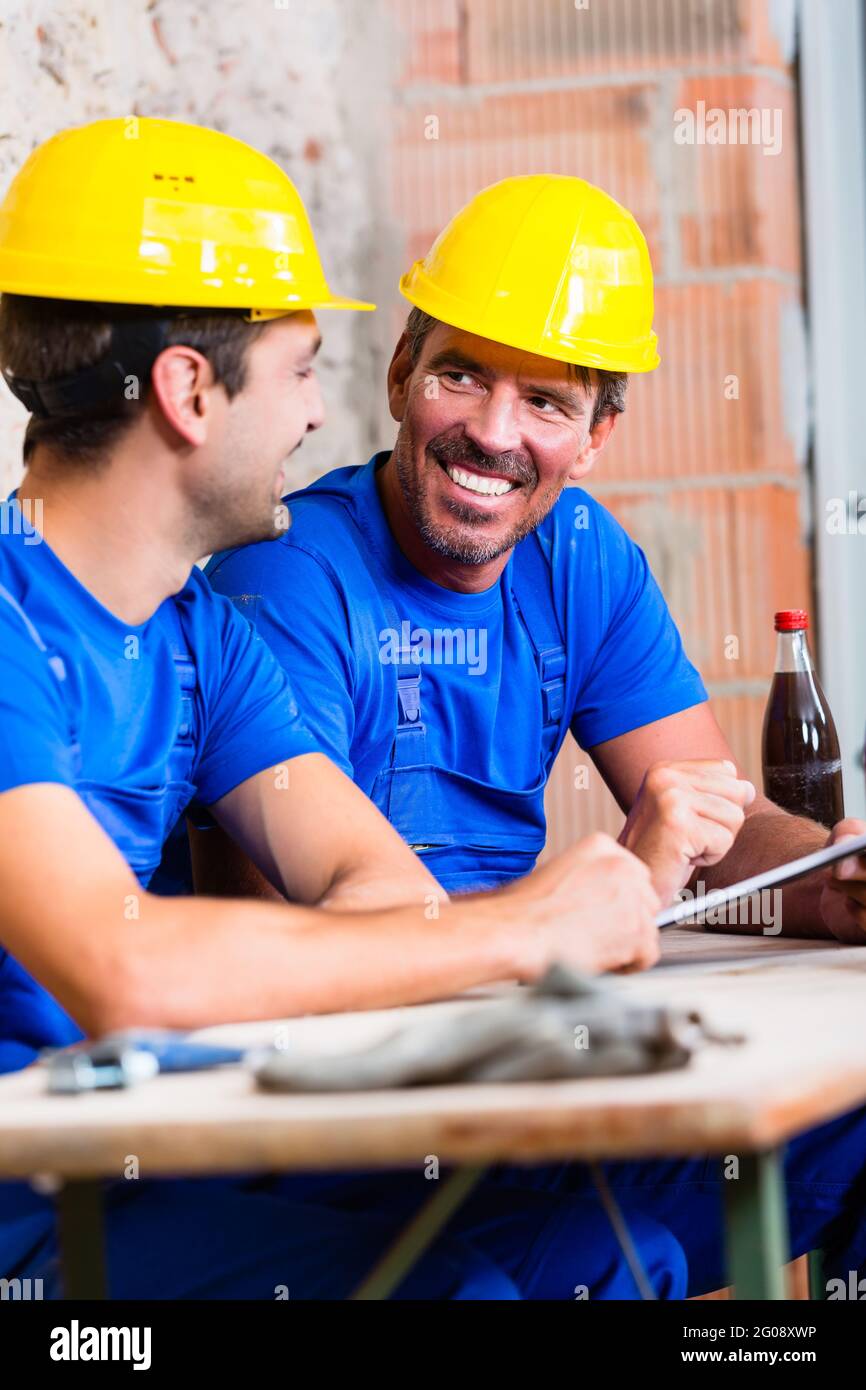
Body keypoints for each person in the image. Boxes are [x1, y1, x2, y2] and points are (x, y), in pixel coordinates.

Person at [0, 119, 693, 1300]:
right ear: (186, 393)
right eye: (300, 368)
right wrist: (530, 924)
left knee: (610, 1259)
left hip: (177, 1164)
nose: (318, 417)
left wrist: (486, 928)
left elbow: (384, 892)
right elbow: (125, 970)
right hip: (37, 1220)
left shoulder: (199, 639)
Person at [201, 174, 866, 1296]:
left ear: (598, 433)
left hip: (534, 1091)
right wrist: (595, 896)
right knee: (597, 1258)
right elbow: (297, 945)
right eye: (461, 373)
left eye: (547, 402)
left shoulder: (582, 559)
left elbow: (717, 819)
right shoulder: (287, 577)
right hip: (356, 1140)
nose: (492, 434)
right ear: (402, 369)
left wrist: (819, 881)